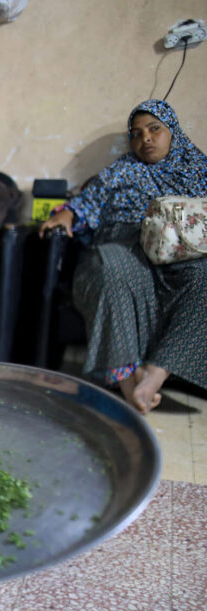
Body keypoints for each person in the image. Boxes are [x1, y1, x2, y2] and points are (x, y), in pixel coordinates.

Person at [39, 99, 207, 414]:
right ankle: (130, 382)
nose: (145, 138)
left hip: (182, 253)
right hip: (123, 241)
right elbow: (86, 203)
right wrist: (67, 215)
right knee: (113, 268)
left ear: (174, 131)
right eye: (137, 133)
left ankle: (154, 375)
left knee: (204, 279)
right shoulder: (121, 170)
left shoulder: (199, 169)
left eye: (154, 129)